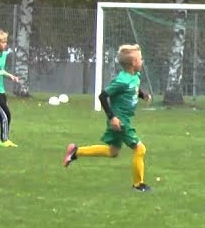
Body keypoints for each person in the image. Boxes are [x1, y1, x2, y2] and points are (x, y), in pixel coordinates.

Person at [62, 44, 154, 191]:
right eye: (140, 59)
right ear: (133, 63)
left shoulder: (134, 76)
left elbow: (133, 89)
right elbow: (103, 96)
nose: (142, 61)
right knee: (140, 148)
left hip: (123, 119)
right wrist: (112, 117)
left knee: (113, 151)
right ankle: (138, 184)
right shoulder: (121, 80)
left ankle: (76, 152)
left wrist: (143, 95)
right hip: (120, 121)